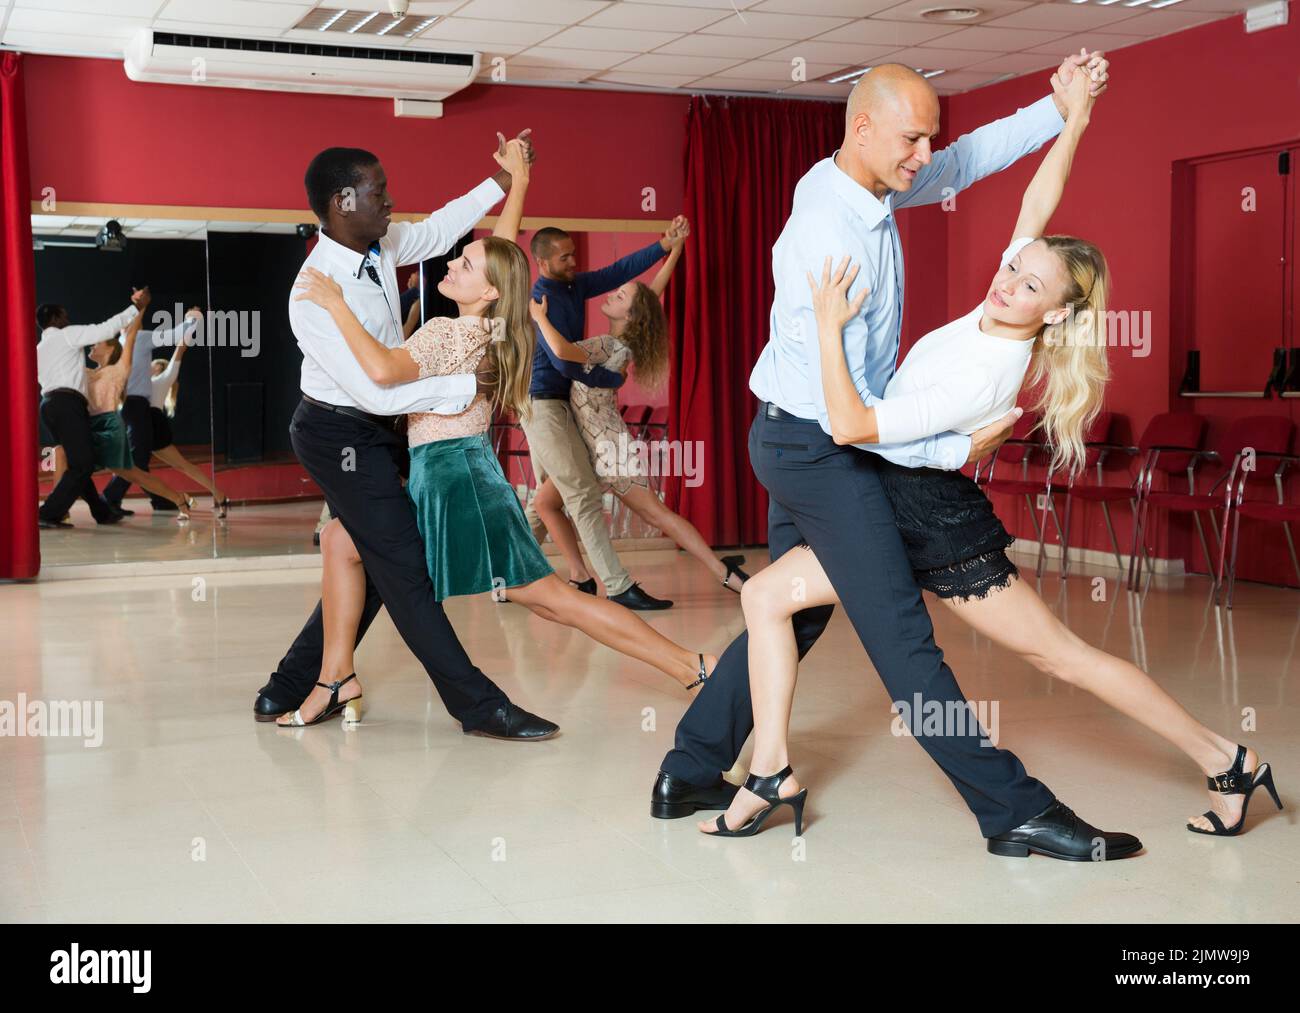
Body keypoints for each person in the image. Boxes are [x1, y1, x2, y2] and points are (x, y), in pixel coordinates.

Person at [714, 67, 1280, 841]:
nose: (1006, 278)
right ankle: (771, 767)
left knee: (1060, 656)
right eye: (1015, 265)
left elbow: (849, 425)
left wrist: (824, 323)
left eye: (1028, 282)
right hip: (890, 491)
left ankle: (1227, 758)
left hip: (933, 520)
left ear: (1057, 314)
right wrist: (1072, 120)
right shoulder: (1006, 299)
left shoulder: (991, 365)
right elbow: (1035, 204)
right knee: (765, 596)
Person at [653, 55, 1146, 863]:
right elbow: (853, 422)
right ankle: (1012, 809)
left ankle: (692, 764)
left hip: (790, 435)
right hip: (821, 446)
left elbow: (971, 159)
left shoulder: (856, 180)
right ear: (864, 128)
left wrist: (1060, 108)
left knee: (789, 607)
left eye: (928, 139)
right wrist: (960, 445)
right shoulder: (830, 238)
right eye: (913, 139)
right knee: (904, 639)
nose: (926, 157)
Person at [283, 139, 720, 728]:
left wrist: (337, 306)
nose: (449, 261)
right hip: (448, 476)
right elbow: (499, 256)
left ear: (485, 291)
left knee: (555, 600)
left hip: (460, 487)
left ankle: (692, 666)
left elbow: (382, 376)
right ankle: (336, 675)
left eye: (462, 266)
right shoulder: (493, 325)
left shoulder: (445, 335)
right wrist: (514, 185)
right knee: (342, 543)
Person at [253, 132, 557, 742]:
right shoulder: (312, 294)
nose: (390, 202)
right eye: (379, 192)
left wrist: (503, 181)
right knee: (403, 567)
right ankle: (477, 705)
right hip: (338, 432)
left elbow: (443, 229)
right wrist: (459, 387)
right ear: (342, 201)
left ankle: (298, 683)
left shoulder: (379, 242)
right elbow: (374, 391)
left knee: (371, 555)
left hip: (386, 429)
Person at [530, 233, 750, 594]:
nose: (610, 293)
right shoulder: (624, 340)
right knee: (544, 502)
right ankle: (577, 575)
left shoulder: (605, 346)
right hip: (595, 447)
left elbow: (561, 353)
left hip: (608, 452)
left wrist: (539, 318)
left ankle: (724, 573)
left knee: (656, 513)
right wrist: (673, 251)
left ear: (629, 314)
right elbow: (650, 297)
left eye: (618, 297)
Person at [519, 223, 687, 609]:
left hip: (565, 406)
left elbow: (622, 272)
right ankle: (616, 585)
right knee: (579, 495)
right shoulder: (541, 299)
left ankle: (513, 575)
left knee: (548, 500)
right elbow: (562, 361)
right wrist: (610, 378)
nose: (574, 262)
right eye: (565, 257)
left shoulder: (575, 286)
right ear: (542, 261)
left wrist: (665, 245)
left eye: (574, 254)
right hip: (544, 402)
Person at [84, 287, 195, 520]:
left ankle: (128, 500)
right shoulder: (138, 340)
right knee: (137, 459)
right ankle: (111, 500)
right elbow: (174, 336)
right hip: (136, 407)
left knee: (135, 458)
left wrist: (140, 305)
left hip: (125, 408)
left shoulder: (120, 347)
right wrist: (193, 319)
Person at [35, 295, 144, 528]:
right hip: (67, 403)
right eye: (63, 313)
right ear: (54, 318)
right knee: (83, 463)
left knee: (79, 462)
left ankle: (101, 512)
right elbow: (105, 329)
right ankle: (47, 513)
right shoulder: (67, 334)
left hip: (48, 405)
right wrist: (135, 308)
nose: (68, 317)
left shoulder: (39, 348)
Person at [145, 334, 232, 518]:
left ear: (159, 369)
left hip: (152, 425)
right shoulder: (140, 383)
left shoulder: (161, 381)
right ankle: (201, 497)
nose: (148, 366)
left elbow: (179, 351)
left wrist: (188, 327)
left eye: (152, 365)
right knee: (140, 469)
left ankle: (196, 498)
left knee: (183, 466)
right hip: (141, 424)